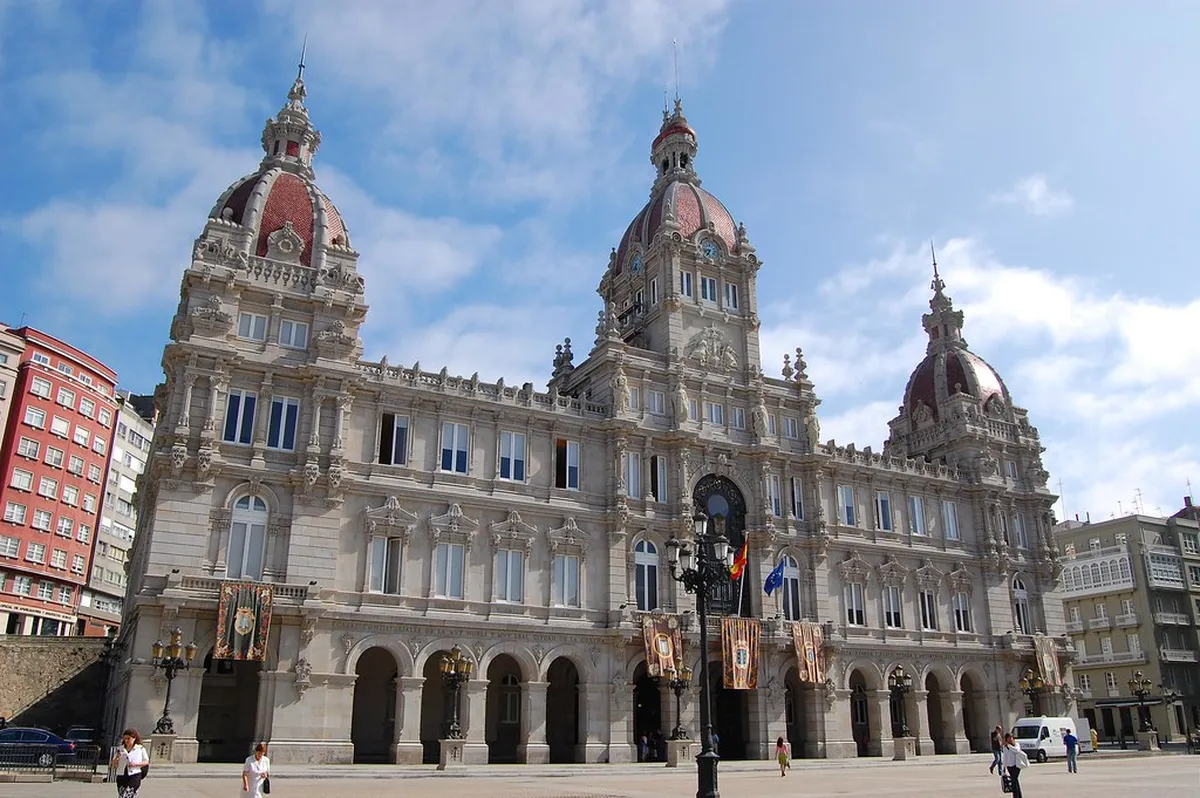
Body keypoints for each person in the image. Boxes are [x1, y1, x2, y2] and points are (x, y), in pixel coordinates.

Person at [110, 728, 149, 798]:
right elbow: (114, 764)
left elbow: (146, 762)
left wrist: (136, 764)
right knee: (122, 795)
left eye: (128, 738)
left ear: (134, 738)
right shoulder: (120, 749)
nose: (126, 741)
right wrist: (117, 758)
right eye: (125, 738)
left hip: (134, 774)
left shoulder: (140, 748)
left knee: (129, 795)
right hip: (122, 774)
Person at [1000, 733, 1029, 798]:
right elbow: (1005, 757)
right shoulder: (1005, 747)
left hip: (1016, 765)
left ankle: (1015, 796)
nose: (1010, 739)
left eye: (1011, 738)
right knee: (1015, 781)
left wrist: (1009, 746)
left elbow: (1017, 750)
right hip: (1009, 766)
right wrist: (1004, 767)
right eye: (1008, 738)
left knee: (1013, 780)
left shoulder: (1016, 744)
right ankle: (1019, 795)